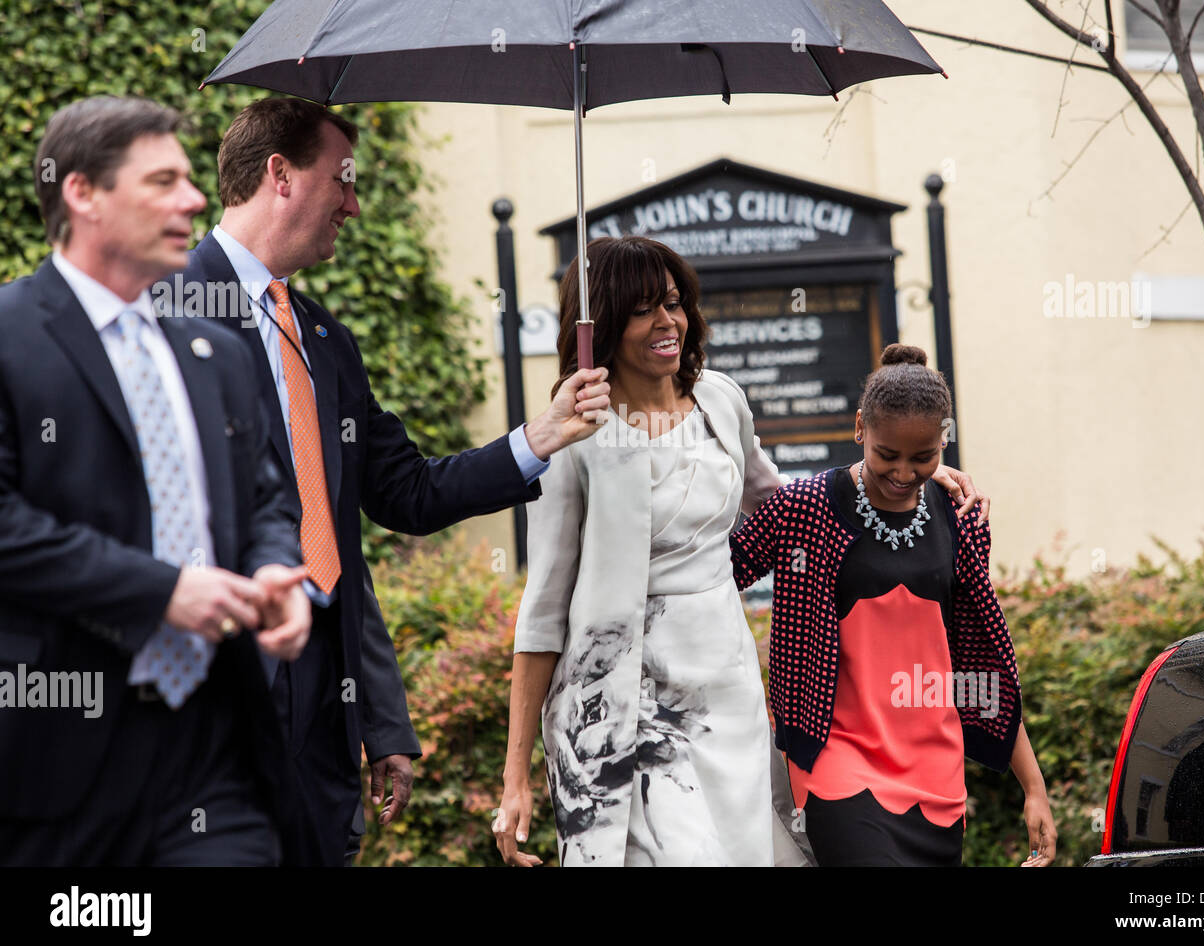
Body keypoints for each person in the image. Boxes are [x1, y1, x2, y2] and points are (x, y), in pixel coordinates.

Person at [176, 96, 610, 864]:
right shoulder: (164, 312)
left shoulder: (325, 339)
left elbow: (399, 498)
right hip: (216, 686)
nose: (352, 201)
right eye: (341, 179)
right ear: (279, 174)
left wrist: (539, 439)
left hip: (325, 711)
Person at [493, 237, 988, 866]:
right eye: (644, 308)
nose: (667, 321)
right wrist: (515, 778)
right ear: (606, 323)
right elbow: (542, 612)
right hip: (622, 701)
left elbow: (791, 505)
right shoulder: (571, 435)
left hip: (726, 689)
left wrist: (906, 480)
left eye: (673, 302)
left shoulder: (721, 403)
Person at [0, 96, 312, 865]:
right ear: (82, 193)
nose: (195, 199)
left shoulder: (215, 351)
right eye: (163, 180)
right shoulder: (10, 338)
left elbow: (267, 495)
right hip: (54, 758)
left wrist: (275, 569)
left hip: (217, 750)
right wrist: (161, 590)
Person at [729, 344, 1057, 866]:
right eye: (888, 454)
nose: (904, 472)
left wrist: (1034, 788)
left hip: (935, 774)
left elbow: (983, 655)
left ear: (943, 443)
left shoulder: (961, 516)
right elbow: (716, 576)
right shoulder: (804, 507)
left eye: (923, 457)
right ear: (860, 427)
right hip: (837, 760)